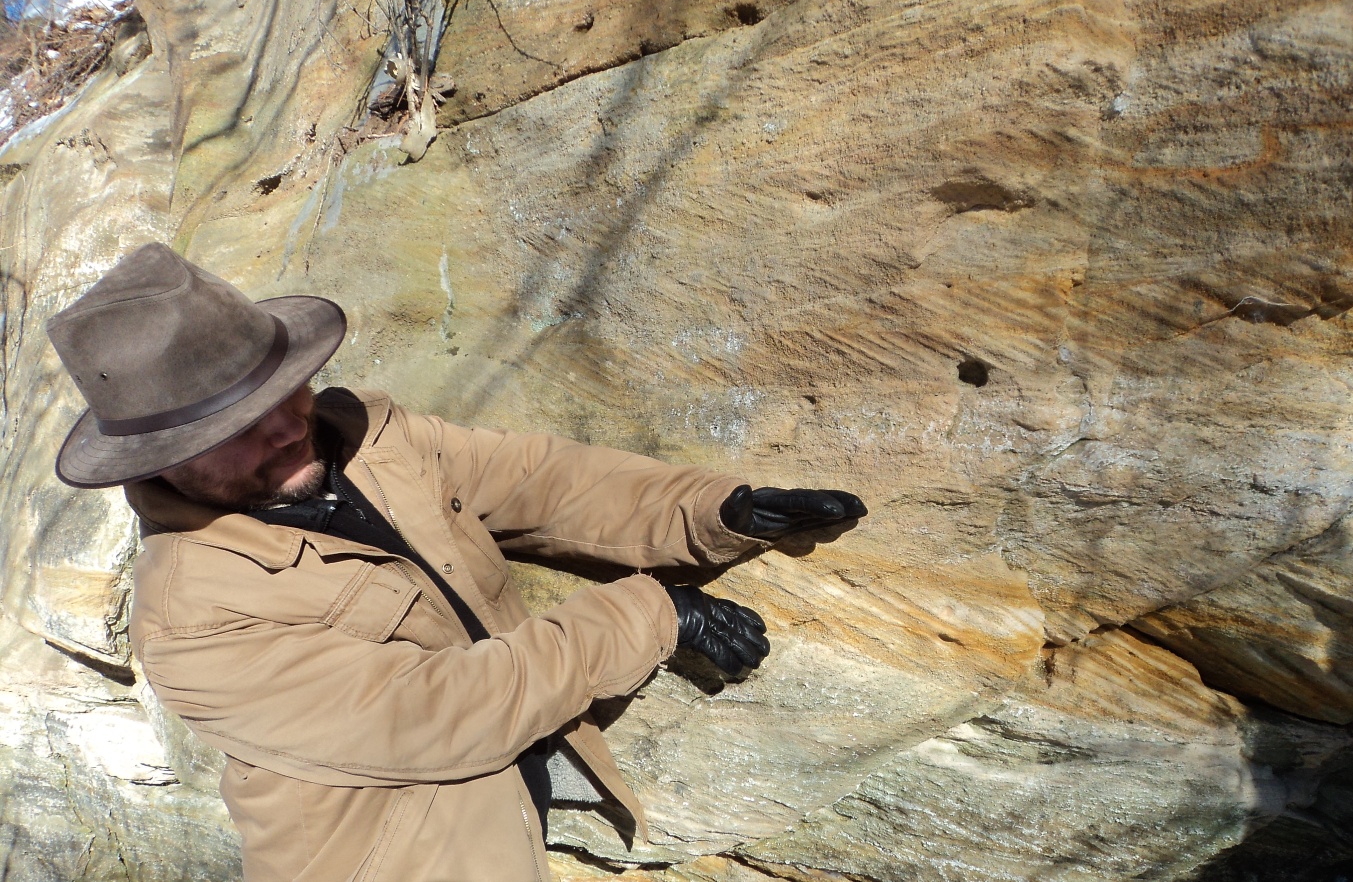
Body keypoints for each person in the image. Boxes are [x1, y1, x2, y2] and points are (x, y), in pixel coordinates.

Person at [46, 243, 866, 882]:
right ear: (160, 460)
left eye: (284, 389)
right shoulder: (190, 619)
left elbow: (534, 481)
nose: (286, 428)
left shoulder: (360, 433)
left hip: (517, 810)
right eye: (234, 429)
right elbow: (431, 714)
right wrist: (648, 614)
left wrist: (710, 512)